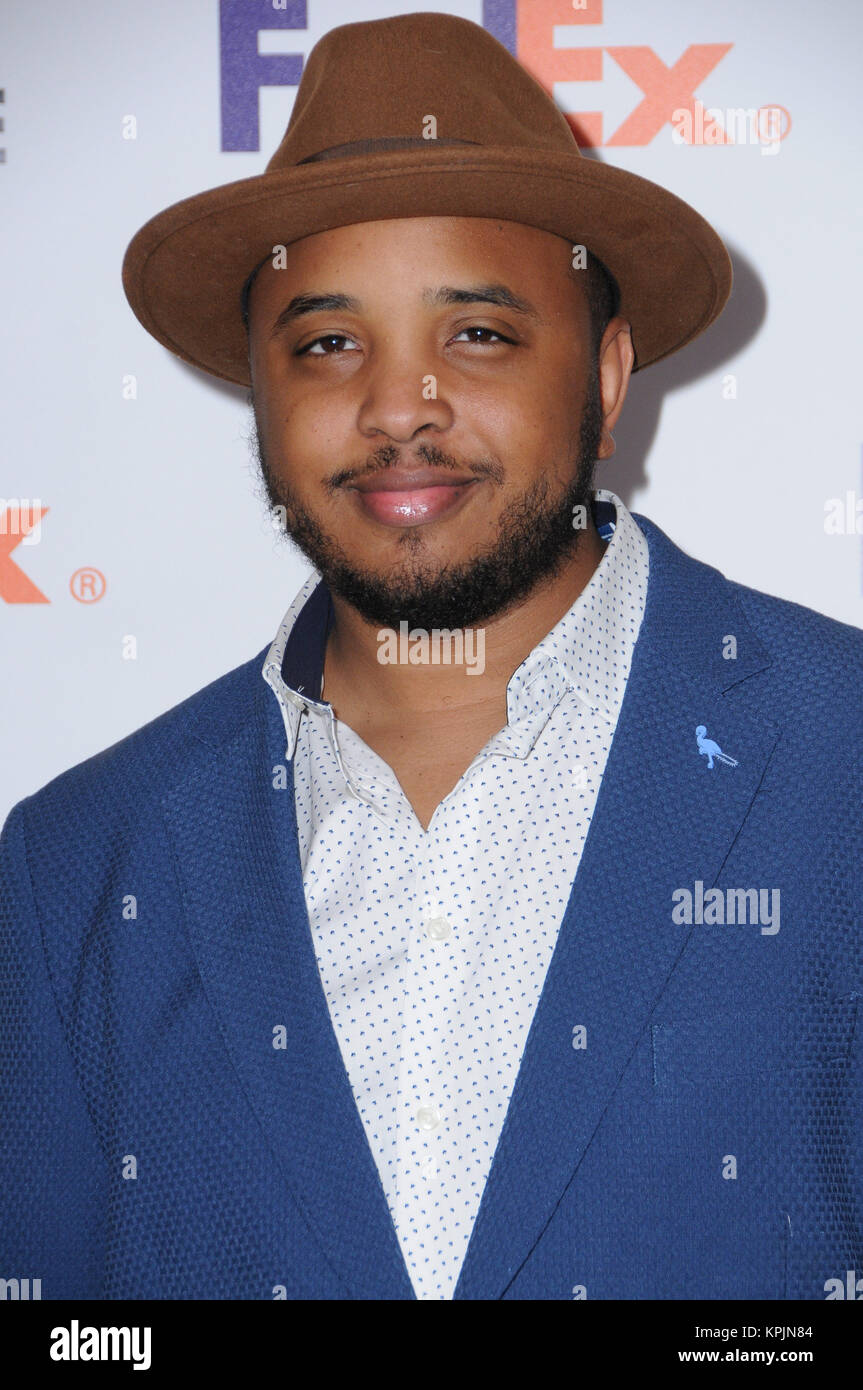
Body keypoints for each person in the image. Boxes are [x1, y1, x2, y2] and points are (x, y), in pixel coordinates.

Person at [1, 11, 860, 1302]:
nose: (400, 405)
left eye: (479, 333)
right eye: (327, 343)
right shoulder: (78, 857)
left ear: (609, 376)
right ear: (262, 390)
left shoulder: (838, 752)